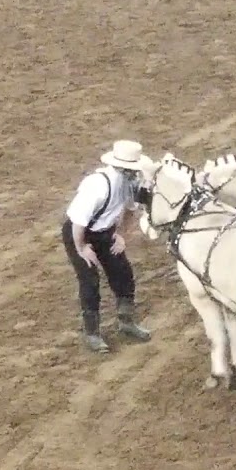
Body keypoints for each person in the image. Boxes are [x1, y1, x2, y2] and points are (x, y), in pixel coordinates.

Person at [62, 140, 154, 353]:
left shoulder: (128, 184)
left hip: (105, 232)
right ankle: (92, 333)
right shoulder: (98, 185)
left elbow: (131, 210)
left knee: (123, 272)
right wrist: (82, 247)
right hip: (81, 234)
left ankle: (126, 321)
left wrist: (121, 235)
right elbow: (78, 223)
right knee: (89, 278)